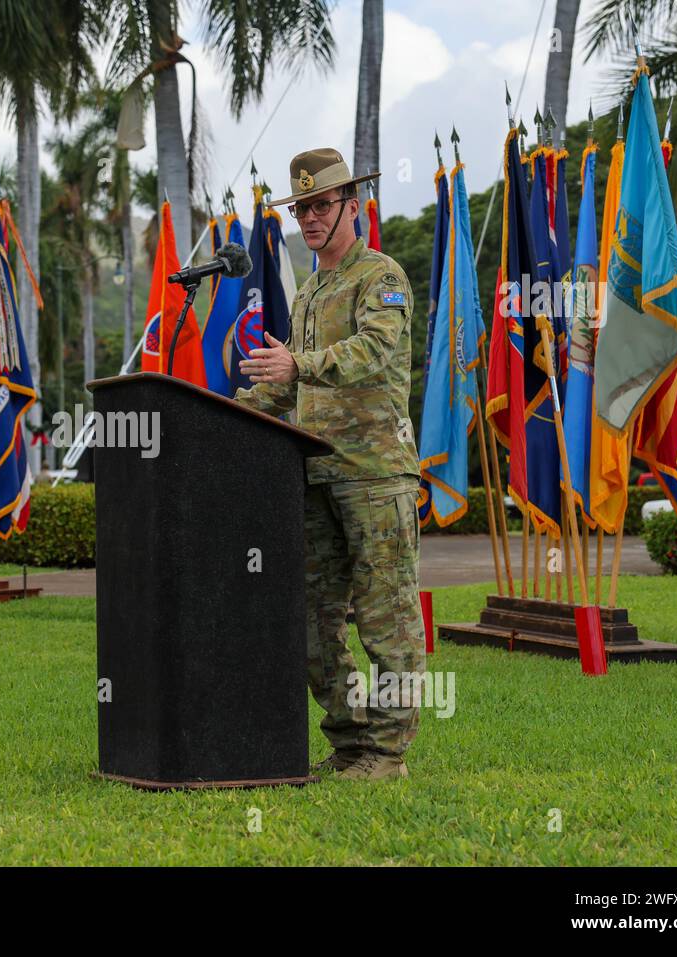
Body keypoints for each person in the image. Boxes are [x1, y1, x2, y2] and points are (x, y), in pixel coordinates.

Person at [234, 147, 425, 781]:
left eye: (320, 205)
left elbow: (372, 352)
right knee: (314, 626)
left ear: (353, 204)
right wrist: (225, 410)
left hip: (374, 476)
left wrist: (299, 363)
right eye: (301, 208)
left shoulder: (382, 277)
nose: (309, 218)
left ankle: (388, 753)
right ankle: (349, 744)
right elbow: (290, 386)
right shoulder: (311, 289)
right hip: (314, 477)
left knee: (386, 621)